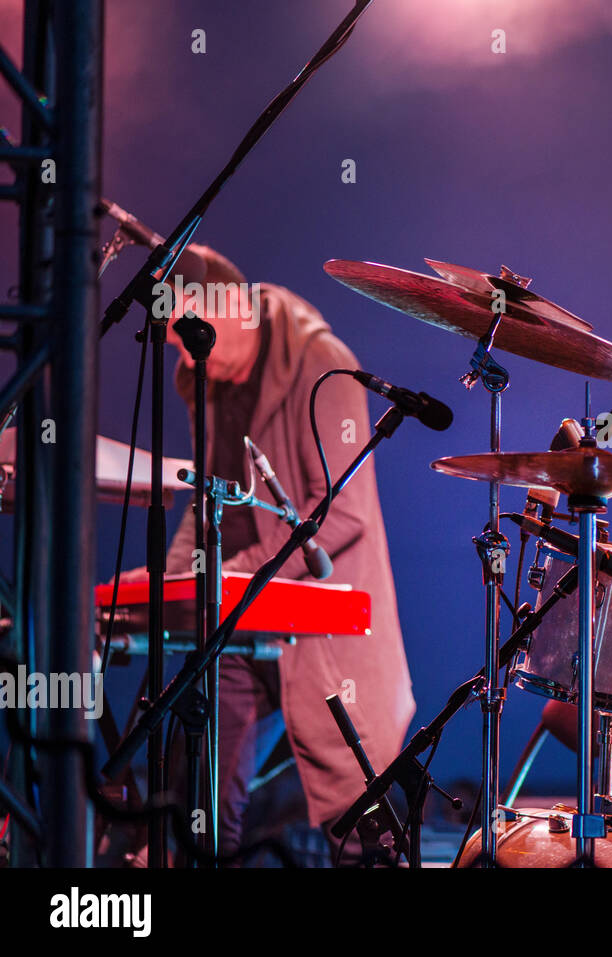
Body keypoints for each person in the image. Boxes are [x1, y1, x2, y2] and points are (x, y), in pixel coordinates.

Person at [159, 245, 415, 863]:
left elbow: (337, 518)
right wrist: (173, 582)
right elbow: (208, 499)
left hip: (325, 621)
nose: (182, 350)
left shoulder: (322, 365)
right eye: (173, 338)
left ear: (234, 308)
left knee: (361, 825)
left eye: (190, 331)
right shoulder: (203, 375)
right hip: (244, 615)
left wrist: (232, 576)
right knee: (196, 783)